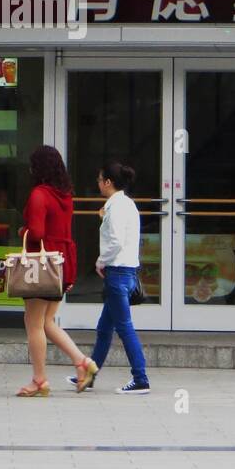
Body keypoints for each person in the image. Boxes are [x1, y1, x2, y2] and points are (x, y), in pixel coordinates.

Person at [15, 145, 96, 397]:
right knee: (47, 321)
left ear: (38, 168)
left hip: (41, 266)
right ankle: (83, 362)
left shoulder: (39, 194)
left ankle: (39, 380)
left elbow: (37, 232)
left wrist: (22, 232)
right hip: (61, 263)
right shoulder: (65, 195)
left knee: (34, 323)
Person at [77, 160, 150, 395]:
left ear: (108, 182)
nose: (98, 183)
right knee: (104, 328)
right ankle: (90, 375)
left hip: (117, 273)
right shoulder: (127, 204)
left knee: (124, 327)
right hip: (125, 271)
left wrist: (101, 260)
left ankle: (140, 378)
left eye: (100, 179)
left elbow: (116, 241)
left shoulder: (116, 207)